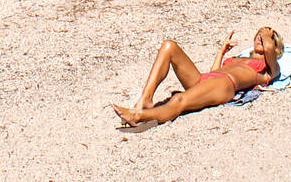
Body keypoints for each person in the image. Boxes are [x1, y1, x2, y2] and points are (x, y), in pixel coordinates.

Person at [112, 26, 282, 128]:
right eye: (259, 35)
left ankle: (138, 116)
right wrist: (221, 52)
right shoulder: (239, 58)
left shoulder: (269, 70)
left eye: (267, 37)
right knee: (169, 46)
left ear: (276, 50)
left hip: (225, 85)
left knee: (179, 100)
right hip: (208, 80)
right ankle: (144, 101)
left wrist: (267, 33)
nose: (261, 37)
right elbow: (214, 71)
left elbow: (268, 48)